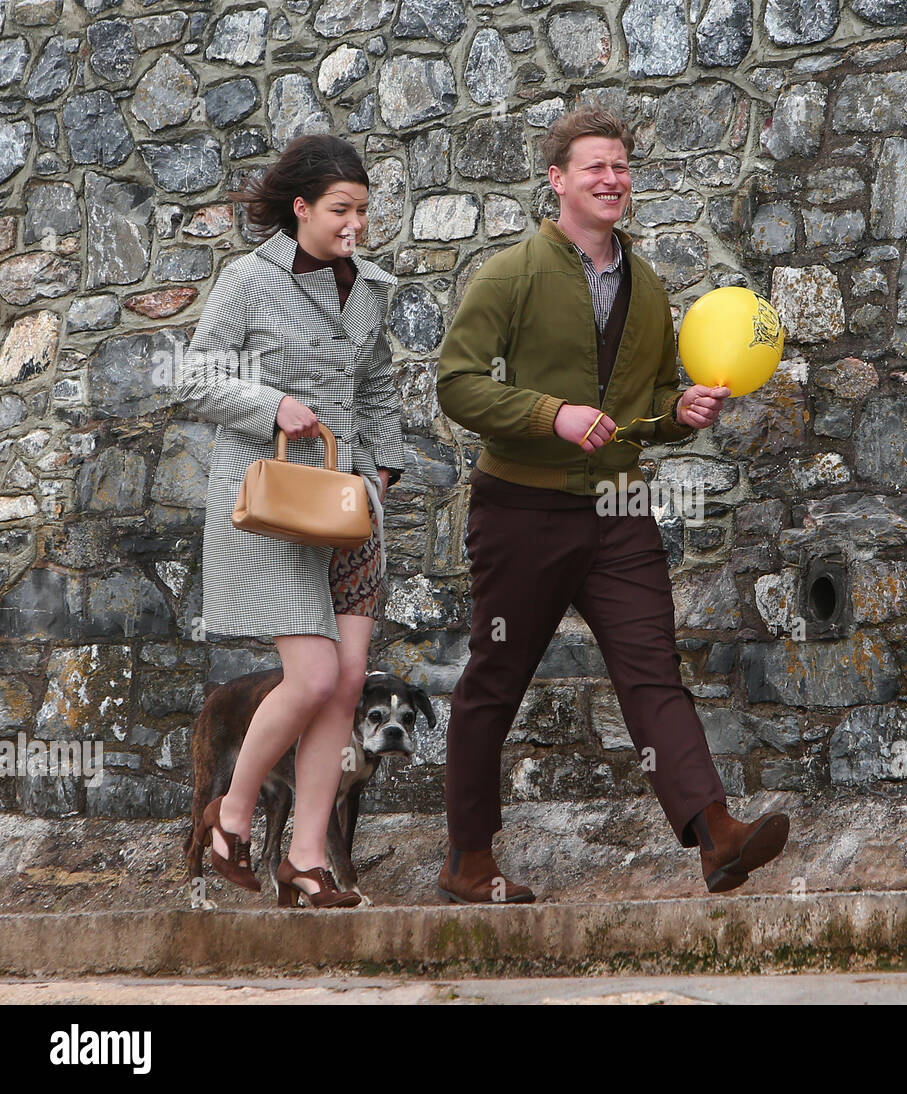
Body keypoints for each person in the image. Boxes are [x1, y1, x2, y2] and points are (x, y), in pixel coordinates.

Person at [435, 107, 789, 903]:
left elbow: (652, 400)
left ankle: (714, 835)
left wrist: (682, 412)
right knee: (496, 676)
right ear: (557, 180)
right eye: (594, 166)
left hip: (620, 508)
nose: (611, 178)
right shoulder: (510, 273)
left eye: (621, 166)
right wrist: (547, 415)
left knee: (652, 672)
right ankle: (468, 859)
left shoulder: (650, 285)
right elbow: (457, 382)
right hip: (522, 509)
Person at [174, 134, 405, 909]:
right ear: (300, 208)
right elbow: (197, 377)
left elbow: (376, 387)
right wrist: (273, 404)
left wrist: (380, 468)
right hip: (274, 505)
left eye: (364, 211)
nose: (355, 225)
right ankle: (231, 814)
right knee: (309, 677)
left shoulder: (373, 287)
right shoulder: (246, 281)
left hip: (352, 510)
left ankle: (304, 863)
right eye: (340, 210)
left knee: (343, 685)